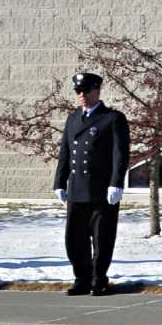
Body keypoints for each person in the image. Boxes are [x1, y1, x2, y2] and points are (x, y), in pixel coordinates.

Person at [53, 72, 129, 297]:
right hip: (76, 188)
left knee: (101, 236)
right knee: (74, 238)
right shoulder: (73, 118)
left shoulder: (112, 118)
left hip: (100, 188)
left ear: (97, 91)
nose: (82, 96)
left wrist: (116, 183)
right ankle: (81, 278)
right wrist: (59, 182)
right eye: (78, 92)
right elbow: (65, 153)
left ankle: (99, 279)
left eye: (86, 91)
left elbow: (120, 154)